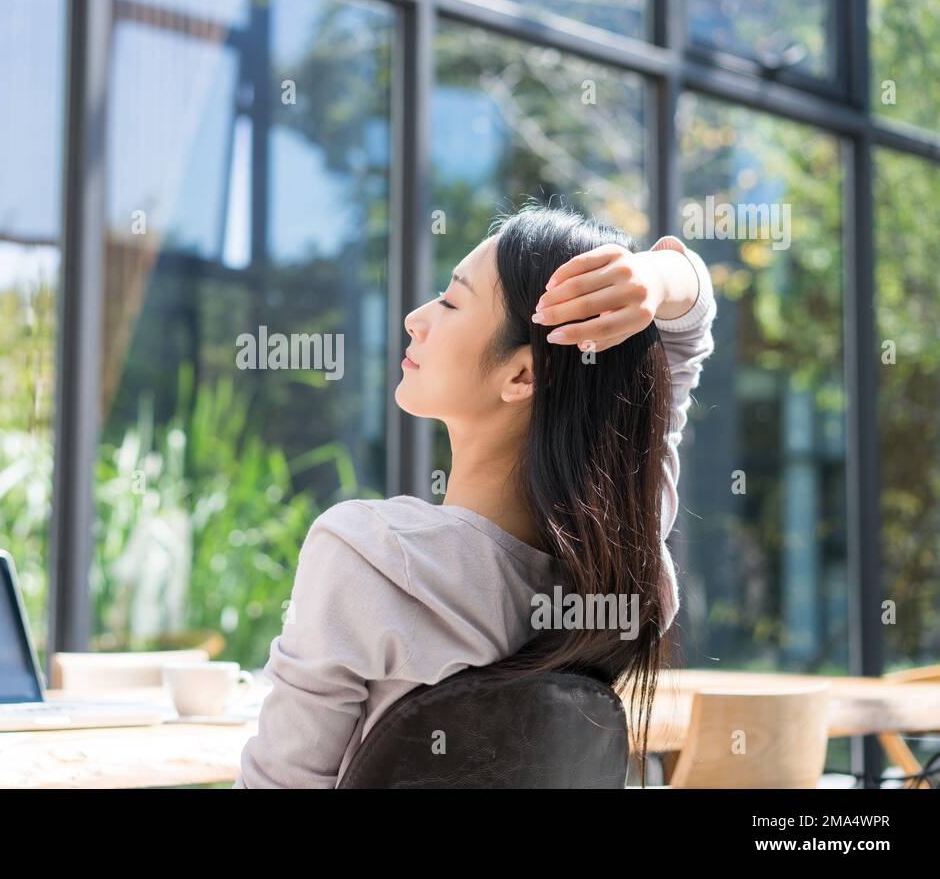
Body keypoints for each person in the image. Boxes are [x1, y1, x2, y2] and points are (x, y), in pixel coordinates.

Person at [233, 203, 717, 788]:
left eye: (451, 301)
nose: (416, 318)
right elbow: (685, 337)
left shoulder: (371, 556)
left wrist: (647, 279)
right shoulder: (626, 552)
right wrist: (658, 278)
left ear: (521, 376)